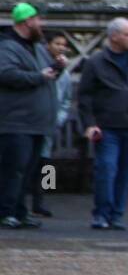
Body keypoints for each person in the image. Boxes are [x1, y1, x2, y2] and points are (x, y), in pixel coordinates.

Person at [76, 17, 128, 230]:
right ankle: (101, 213)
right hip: (107, 127)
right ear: (114, 36)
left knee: (126, 172)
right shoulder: (95, 62)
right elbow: (84, 97)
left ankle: (116, 214)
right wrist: (89, 124)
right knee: (106, 169)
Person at [0, 3, 59, 229]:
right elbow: (6, 74)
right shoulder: (8, 47)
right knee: (13, 170)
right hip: (16, 122)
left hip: (37, 123)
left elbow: (45, 73)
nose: (41, 24)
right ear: (26, 22)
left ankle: (20, 211)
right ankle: (6, 211)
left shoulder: (37, 47)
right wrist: (38, 77)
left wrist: (57, 67)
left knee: (28, 171)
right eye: (37, 20)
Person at [26, 31, 74, 218]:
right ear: (48, 45)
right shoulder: (39, 68)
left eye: (64, 45)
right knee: (27, 163)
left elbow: (66, 100)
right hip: (34, 122)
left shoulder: (66, 76)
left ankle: (40, 201)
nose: (61, 48)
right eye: (57, 43)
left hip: (51, 125)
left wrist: (59, 118)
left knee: (47, 166)